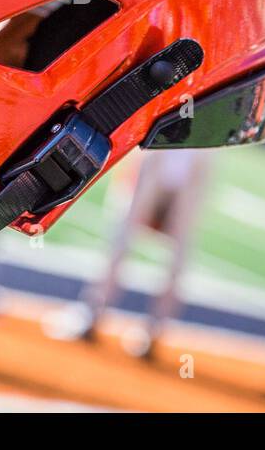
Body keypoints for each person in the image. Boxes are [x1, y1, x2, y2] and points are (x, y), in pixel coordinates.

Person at [45, 147, 213, 359]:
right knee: (122, 239)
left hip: (191, 157)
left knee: (172, 250)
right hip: (168, 152)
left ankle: (153, 329)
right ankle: (96, 314)